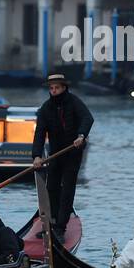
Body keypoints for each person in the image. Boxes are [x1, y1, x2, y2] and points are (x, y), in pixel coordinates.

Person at [31, 73, 93, 244]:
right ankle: (51, 223)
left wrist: (81, 135)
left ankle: (60, 227)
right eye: (51, 88)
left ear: (64, 87)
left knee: (67, 188)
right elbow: (39, 134)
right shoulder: (45, 109)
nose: (54, 91)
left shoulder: (74, 102)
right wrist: (36, 155)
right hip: (56, 152)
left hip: (73, 151)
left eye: (57, 88)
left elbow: (88, 118)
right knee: (51, 187)